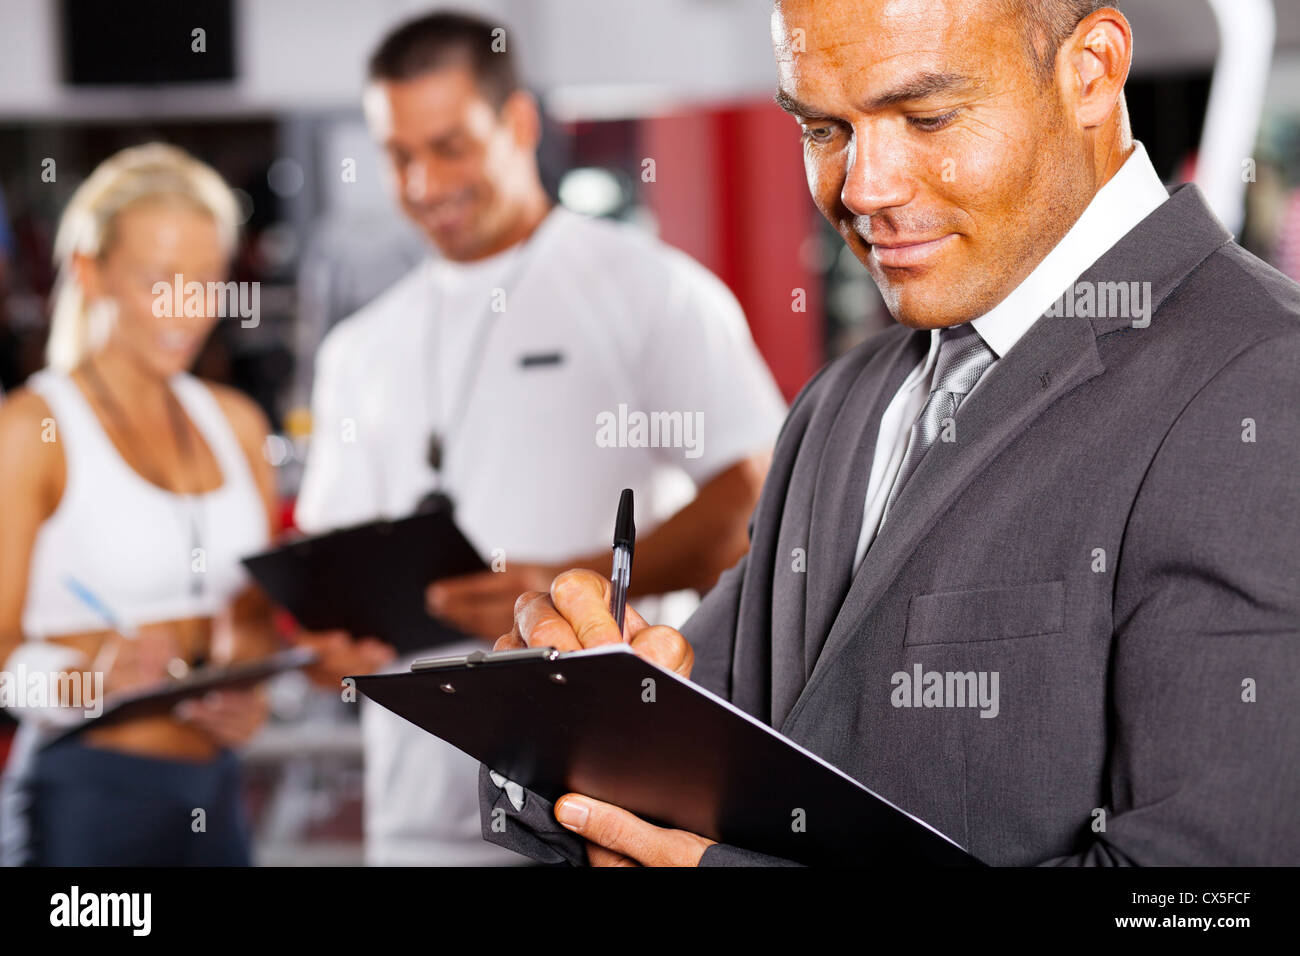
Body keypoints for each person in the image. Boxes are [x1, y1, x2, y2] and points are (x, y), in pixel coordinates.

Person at [482, 0, 1300, 866]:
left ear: (1090, 69)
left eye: (927, 116)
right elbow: (685, 742)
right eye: (824, 128)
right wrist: (563, 709)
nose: (864, 189)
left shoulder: (1263, 383)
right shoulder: (843, 402)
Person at [294, 11, 786, 866]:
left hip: (603, 807)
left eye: (450, 146)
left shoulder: (648, 289)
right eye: (399, 154)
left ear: (519, 124)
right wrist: (325, 646)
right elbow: (327, 580)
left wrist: (574, 581)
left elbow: (758, 497)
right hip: (417, 816)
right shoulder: (359, 348)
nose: (422, 182)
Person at [0, 143, 280, 865]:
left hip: (216, 792)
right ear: (91, 273)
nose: (188, 308)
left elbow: (251, 616)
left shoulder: (238, 422)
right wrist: (85, 679)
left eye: (208, 279)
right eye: (160, 280)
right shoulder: (33, 429)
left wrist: (246, 687)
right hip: (84, 799)